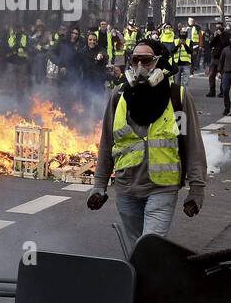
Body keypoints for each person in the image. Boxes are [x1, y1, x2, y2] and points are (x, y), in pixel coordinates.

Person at [87, 39, 206, 254]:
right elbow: (107, 144)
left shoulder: (176, 97)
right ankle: (142, 286)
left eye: (147, 60)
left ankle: (148, 286)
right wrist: (99, 185)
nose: (140, 67)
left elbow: (193, 146)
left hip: (162, 188)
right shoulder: (119, 96)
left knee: (149, 248)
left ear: (158, 62)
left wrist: (197, 190)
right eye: (135, 60)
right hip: (127, 188)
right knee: (136, 249)